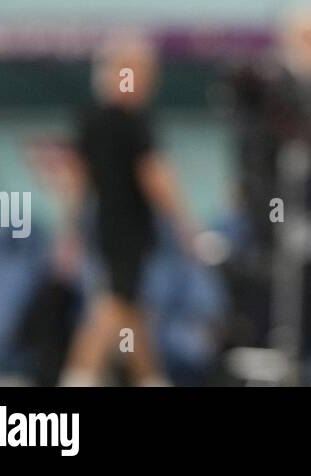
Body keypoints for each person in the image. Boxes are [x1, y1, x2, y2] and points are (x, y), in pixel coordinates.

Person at [60, 34, 198, 386]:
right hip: (124, 231)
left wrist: (71, 226)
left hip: (106, 227)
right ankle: (79, 378)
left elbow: (76, 179)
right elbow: (154, 175)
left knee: (131, 310)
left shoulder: (90, 115)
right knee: (113, 306)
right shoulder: (130, 119)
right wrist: (185, 223)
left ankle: (149, 378)